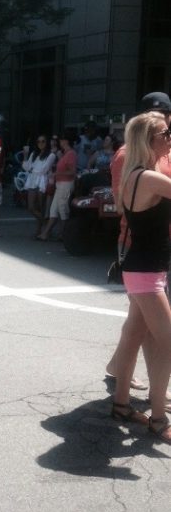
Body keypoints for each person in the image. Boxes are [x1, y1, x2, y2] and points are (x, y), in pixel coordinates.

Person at [110, 111, 171, 444]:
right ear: (150, 140)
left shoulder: (136, 174)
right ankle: (159, 419)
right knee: (167, 344)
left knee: (133, 339)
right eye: (166, 133)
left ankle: (121, 404)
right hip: (146, 273)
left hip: (144, 269)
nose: (170, 137)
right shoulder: (148, 177)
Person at [37, 132, 77, 241]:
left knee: (63, 209)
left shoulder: (71, 154)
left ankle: (65, 234)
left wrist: (56, 174)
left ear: (65, 141)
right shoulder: (65, 153)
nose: (59, 142)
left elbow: (72, 172)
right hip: (60, 184)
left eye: (61, 140)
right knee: (54, 210)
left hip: (66, 184)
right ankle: (47, 233)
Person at [22, 135, 56, 237]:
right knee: (31, 207)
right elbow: (26, 167)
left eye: (43, 141)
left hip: (42, 181)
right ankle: (46, 226)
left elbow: (44, 170)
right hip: (32, 181)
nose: (40, 143)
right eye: (38, 142)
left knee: (40, 207)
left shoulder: (51, 155)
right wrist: (25, 155)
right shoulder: (34, 153)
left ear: (47, 142)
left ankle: (40, 230)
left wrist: (32, 169)